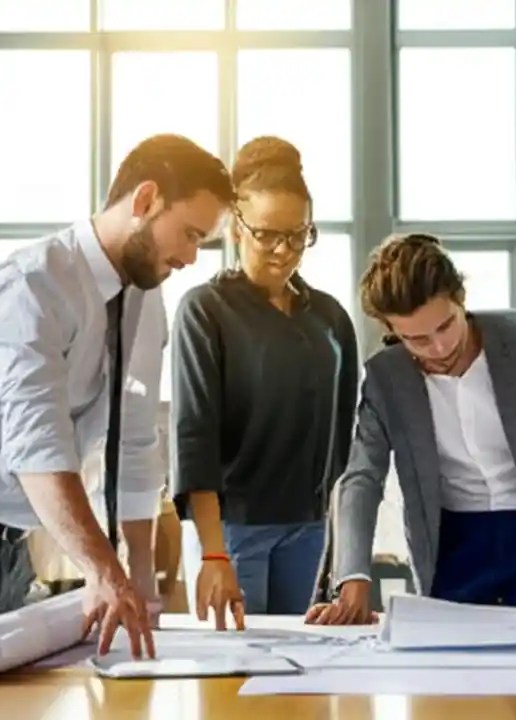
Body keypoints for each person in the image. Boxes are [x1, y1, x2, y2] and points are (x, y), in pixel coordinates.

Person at [0, 134, 234, 690]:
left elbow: (135, 446)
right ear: (146, 200)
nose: (191, 257)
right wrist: (104, 571)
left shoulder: (146, 304)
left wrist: (145, 587)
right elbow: (37, 447)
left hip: (10, 548)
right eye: (191, 234)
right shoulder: (33, 284)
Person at [304, 233, 516, 625]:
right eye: (415, 339)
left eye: (446, 326)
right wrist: (354, 577)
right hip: (453, 543)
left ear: (461, 298)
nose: (437, 348)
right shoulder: (386, 378)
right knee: (451, 677)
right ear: (391, 331)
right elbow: (362, 477)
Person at [172, 136, 358, 627]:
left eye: (298, 235)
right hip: (233, 531)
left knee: (300, 679)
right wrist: (213, 555)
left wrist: (337, 534)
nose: (284, 250)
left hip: (309, 528)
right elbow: (194, 435)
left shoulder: (330, 317)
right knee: (235, 679)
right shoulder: (205, 310)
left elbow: (343, 433)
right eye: (268, 235)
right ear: (237, 227)